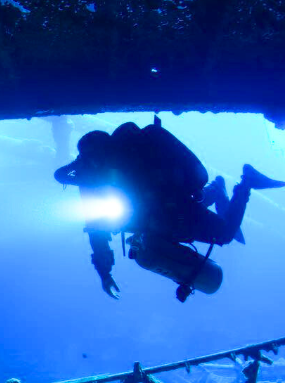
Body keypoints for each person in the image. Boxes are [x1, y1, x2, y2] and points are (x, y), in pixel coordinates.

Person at [54, 117, 285, 301]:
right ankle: (216, 190)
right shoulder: (93, 181)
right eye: (90, 163)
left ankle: (246, 182)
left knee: (224, 234)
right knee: (161, 237)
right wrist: (104, 273)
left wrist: (105, 274)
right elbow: (96, 229)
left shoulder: (134, 158)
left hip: (173, 211)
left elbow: (165, 192)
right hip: (161, 221)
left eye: (97, 161)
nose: (96, 167)